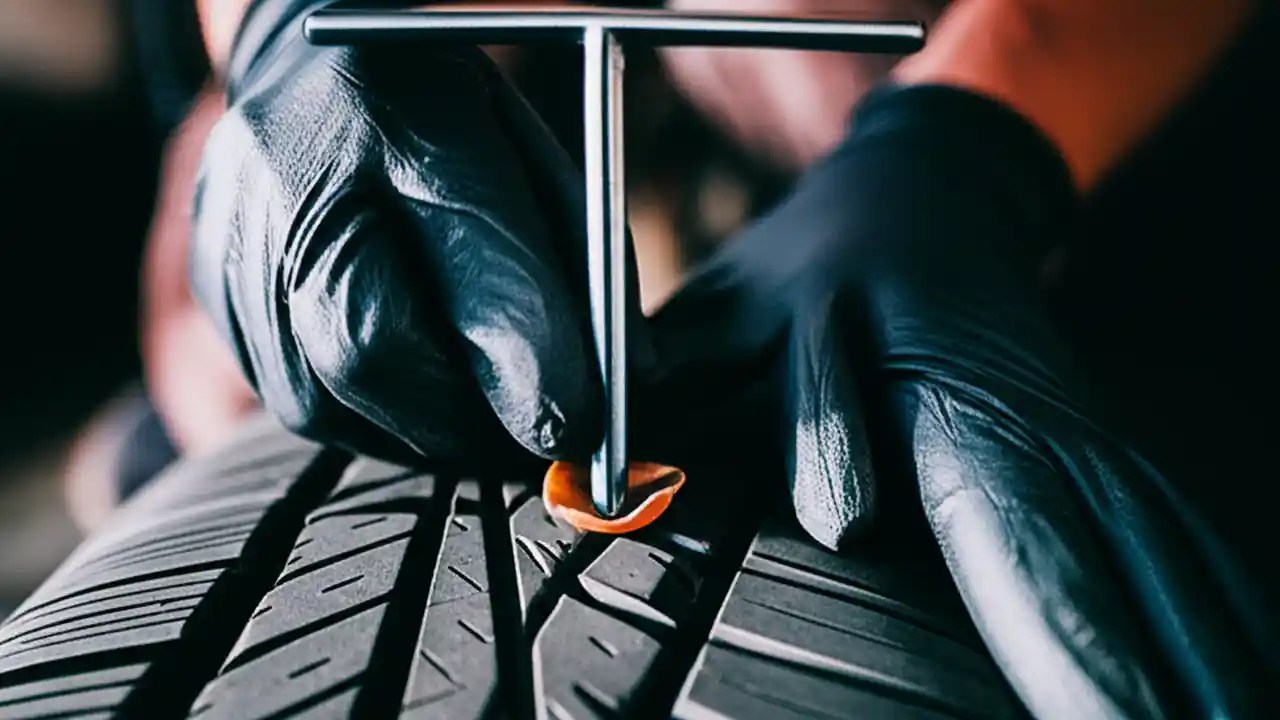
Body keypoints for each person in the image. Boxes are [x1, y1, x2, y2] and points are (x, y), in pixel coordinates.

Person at [176, 0, 1274, 716]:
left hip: (1122, 154)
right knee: (202, 367)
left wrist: (968, 138)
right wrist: (285, 34)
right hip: (646, 109)